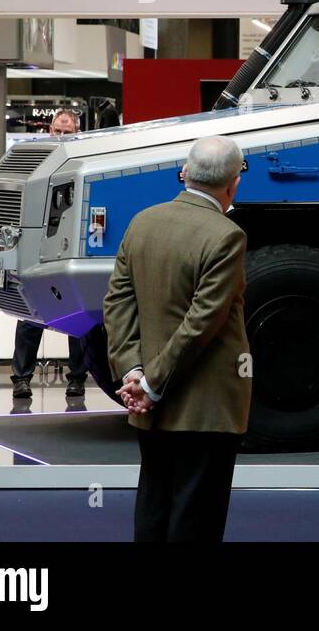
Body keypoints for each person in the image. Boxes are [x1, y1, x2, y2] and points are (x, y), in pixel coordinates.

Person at [103, 135, 251, 542]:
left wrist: (134, 373)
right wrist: (152, 383)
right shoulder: (227, 236)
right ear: (233, 183)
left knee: (153, 505)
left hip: (149, 406)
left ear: (185, 172)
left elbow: (117, 302)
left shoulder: (142, 222)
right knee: (196, 519)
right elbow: (203, 321)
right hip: (207, 407)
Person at [11, 109, 87, 399]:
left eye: (67, 132)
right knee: (30, 316)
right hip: (36, 248)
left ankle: (77, 379)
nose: (62, 136)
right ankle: (21, 379)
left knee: (78, 319)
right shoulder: (37, 162)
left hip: (70, 248)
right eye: (58, 131)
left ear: (77, 132)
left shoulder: (82, 160)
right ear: (50, 130)